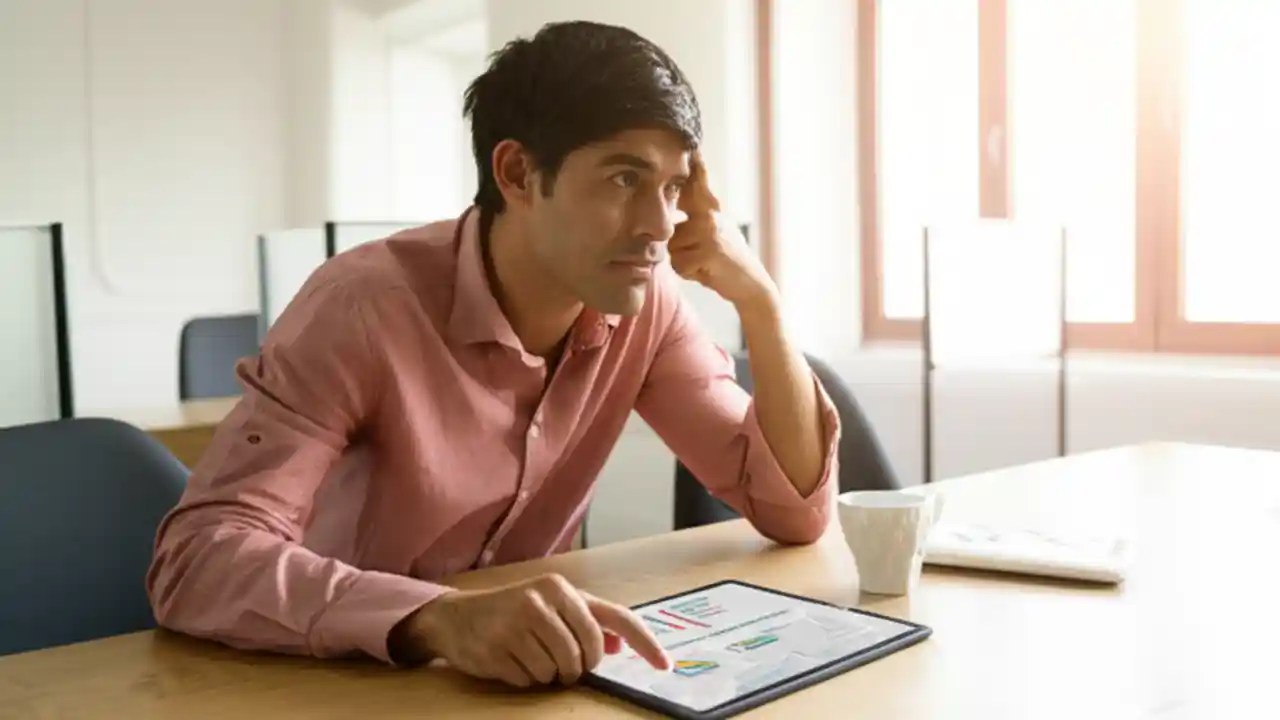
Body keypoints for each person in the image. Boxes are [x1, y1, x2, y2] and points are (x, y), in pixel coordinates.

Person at [147, 20, 839, 689]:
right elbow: (197, 561)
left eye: (672, 186)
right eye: (625, 179)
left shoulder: (644, 303)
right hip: (320, 681)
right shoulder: (360, 305)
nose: (660, 224)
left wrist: (763, 305)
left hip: (507, 685)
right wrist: (437, 619)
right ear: (515, 173)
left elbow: (794, 512)